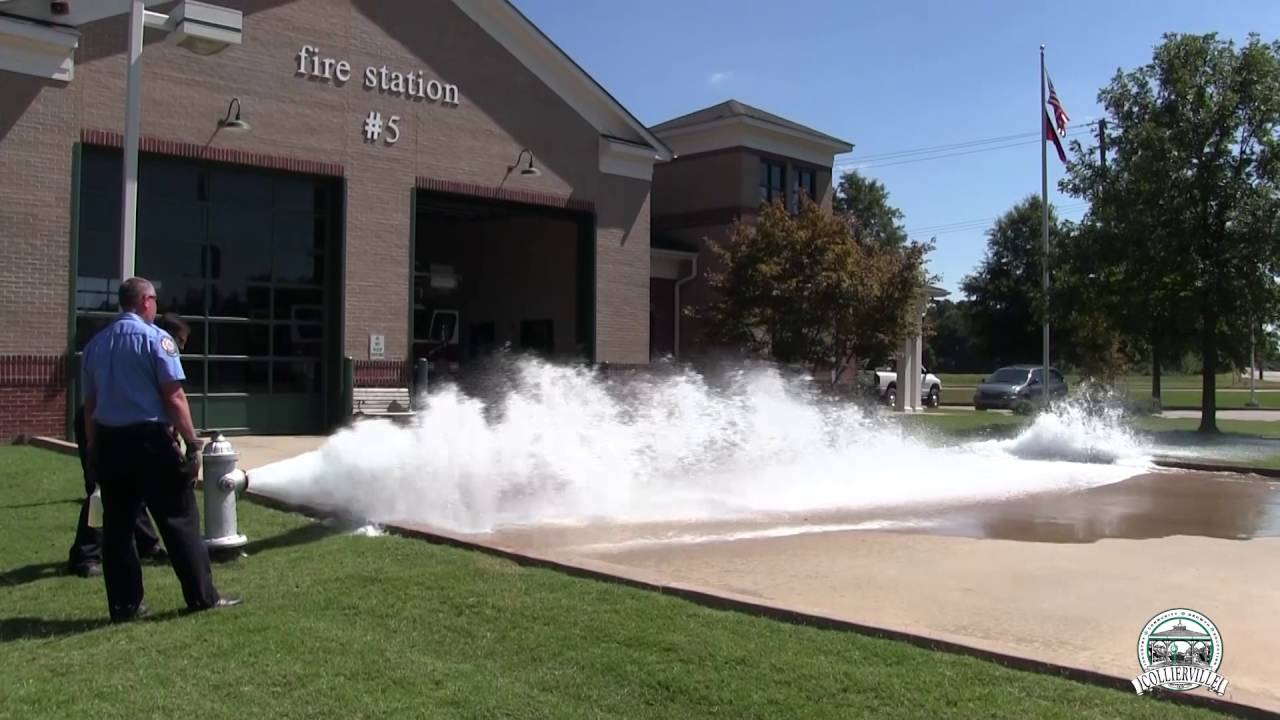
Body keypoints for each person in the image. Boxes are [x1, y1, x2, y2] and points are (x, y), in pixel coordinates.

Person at [81, 278, 241, 621]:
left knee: (119, 529)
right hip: (151, 442)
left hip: (110, 443)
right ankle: (202, 598)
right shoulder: (157, 340)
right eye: (154, 300)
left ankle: (125, 606)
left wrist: (94, 449)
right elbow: (174, 397)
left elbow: (90, 405)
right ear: (145, 302)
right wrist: (193, 443)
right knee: (179, 520)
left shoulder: (96, 345)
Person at [66, 313, 191, 578]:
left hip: (114, 422)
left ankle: (147, 544)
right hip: (103, 421)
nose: (182, 347)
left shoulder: (134, 345)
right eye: (180, 340)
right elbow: (170, 396)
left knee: (133, 488)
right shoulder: (150, 345)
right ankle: (85, 556)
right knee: (101, 490)